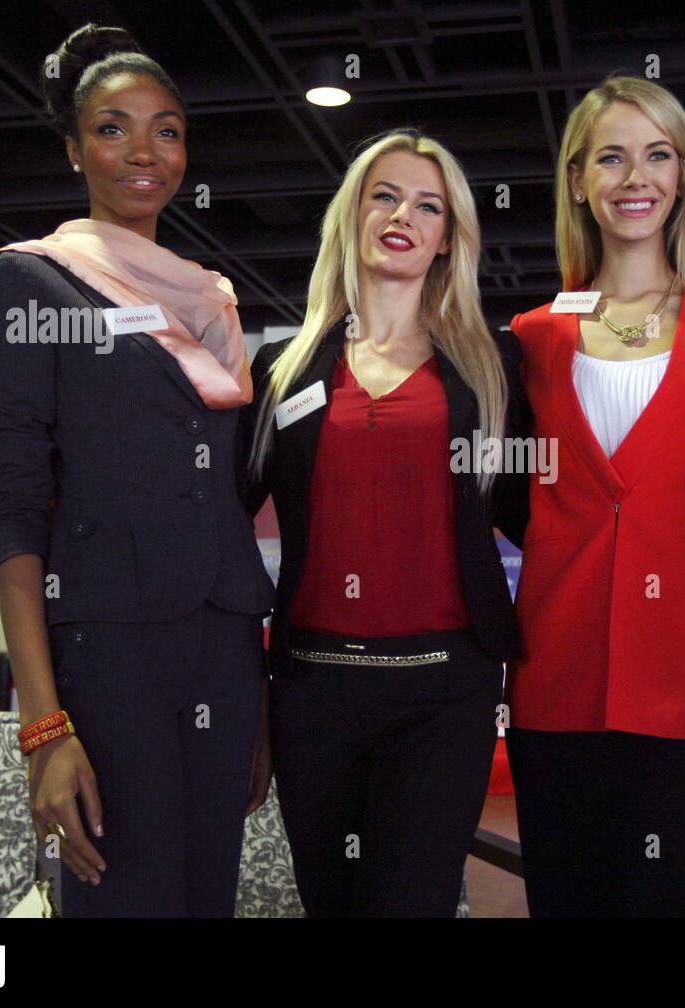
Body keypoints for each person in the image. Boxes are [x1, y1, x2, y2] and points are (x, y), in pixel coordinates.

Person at [0, 24, 276, 917]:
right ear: (75, 150)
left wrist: (258, 697)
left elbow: (229, 501)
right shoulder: (30, 284)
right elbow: (18, 511)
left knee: (206, 900)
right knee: (124, 898)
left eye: (167, 129)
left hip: (225, 655)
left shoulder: (212, 297)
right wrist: (42, 727)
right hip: (108, 656)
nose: (143, 151)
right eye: (113, 129)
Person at [502, 76, 685, 917]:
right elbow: (514, 492)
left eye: (659, 155)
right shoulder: (535, 333)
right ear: (578, 179)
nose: (635, 177)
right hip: (557, 669)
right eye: (611, 157)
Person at [242, 129, 529, 917]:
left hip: (446, 694)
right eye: (386, 194)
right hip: (312, 693)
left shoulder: (492, 367)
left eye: (429, 205)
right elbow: (220, 528)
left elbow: (542, 517)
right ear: (353, 215)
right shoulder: (283, 368)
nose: (405, 214)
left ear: (446, 239)